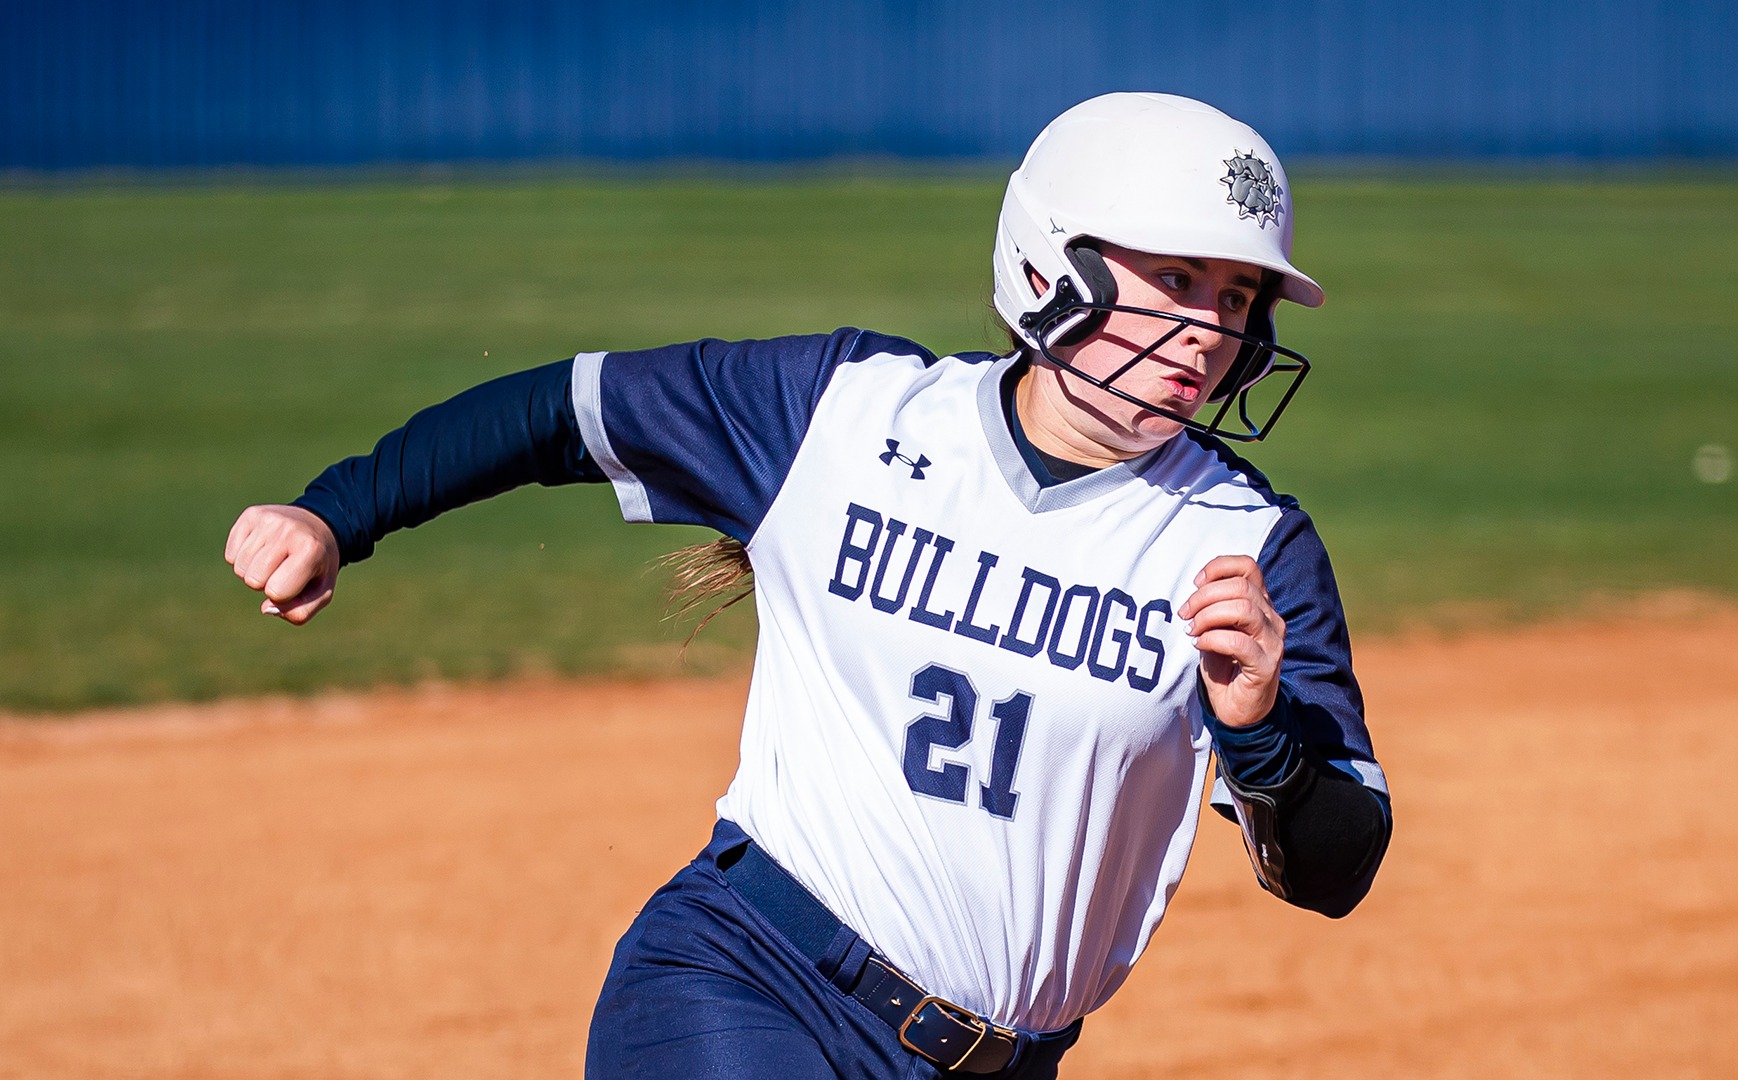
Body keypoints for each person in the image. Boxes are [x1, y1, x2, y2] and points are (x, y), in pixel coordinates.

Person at [223, 92, 1390, 1079]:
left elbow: (1336, 871)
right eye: (1178, 278)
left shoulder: (1248, 548)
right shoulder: (842, 412)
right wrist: (337, 511)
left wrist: (1261, 733)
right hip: (742, 981)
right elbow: (560, 414)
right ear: (1050, 264)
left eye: (1238, 300)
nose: (1208, 334)